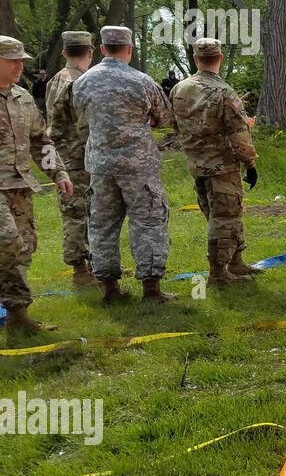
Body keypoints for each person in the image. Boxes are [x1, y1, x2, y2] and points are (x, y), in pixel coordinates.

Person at [71, 25, 176, 304]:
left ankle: (109, 289)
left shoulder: (82, 82)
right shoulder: (142, 81)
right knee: (149, 223)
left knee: (102, 225)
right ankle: (152, 290)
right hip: (138, 167)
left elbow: (80, 116)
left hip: (100, 167)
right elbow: (164, 117)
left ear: (103, 49)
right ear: (129, 49)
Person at [170, 38, 260, 285]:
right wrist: (250, 164)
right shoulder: (224, 92)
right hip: (222, 165)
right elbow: (239, 133)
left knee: (218, 213)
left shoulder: (179, 89)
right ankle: (219, 273)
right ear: (220, 58)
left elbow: (175, 124)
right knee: (225, 216)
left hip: (197, 164)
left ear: (196, 59)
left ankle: (236, 261)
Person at [0, 35, 74, 337]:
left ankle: (18, 315)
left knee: (25, 247)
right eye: (13, 60)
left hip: (19, 186)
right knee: (7, 240)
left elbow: (40, 141)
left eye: (22, 60)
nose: (20, 65)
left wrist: (58, 173)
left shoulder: (23, 98)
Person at [44, 31, 98, 287]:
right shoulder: (82, 82)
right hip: (79, 157)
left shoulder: (55, 79)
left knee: (77, 212)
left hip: (61, 156)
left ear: (65, 53)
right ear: (90, 52)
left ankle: (91, 266)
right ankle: (81, 272)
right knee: (78, 215)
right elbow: (85, 125)